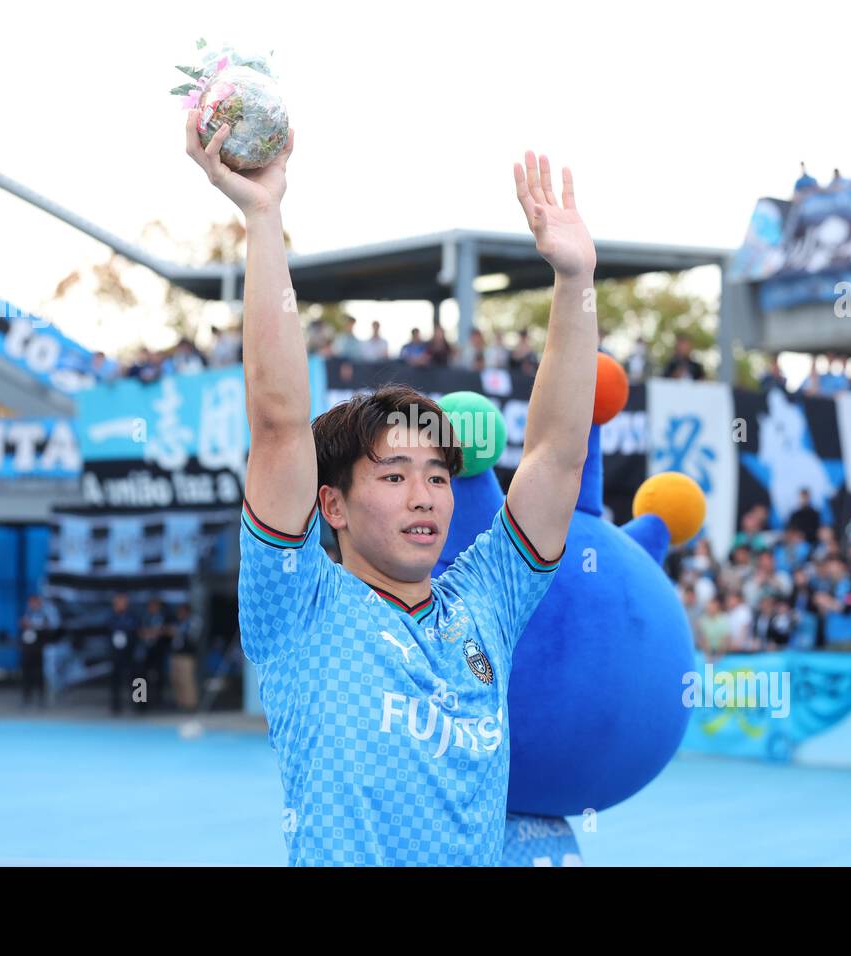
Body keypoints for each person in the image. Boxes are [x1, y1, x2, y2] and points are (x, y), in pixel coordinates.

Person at [186, 116, 594, 865]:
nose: (426, 496)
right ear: (331, 505)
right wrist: (265, 217)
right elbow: (280, 423)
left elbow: (557, 458)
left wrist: (574, 283)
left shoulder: (484, 604)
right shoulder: (299, 605)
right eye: (395, 475)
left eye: (438, 476)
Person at [107, 593, 141, 715]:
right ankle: (116, 706)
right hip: (116, 654)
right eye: (117, 603)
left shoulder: (133, 616)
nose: (119, 605)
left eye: (121, 602)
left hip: (131, 652)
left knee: (137, 679)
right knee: (116, 680)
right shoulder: (111, 616)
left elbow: (137, 630)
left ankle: (139, 705)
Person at [169, 603, 202, 711]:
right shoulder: (178, 622)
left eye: (182, 612)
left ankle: (191, 704)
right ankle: (180, 702)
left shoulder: (193, 622)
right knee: (176, 679)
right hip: (176, 654)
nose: (179, 614)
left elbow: (193, 637)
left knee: (187, 680)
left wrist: (180, 631)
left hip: (187, 655)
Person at [19, 595, 49, 707]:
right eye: (31, 603)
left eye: (35, 603)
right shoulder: (27, 615)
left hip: (38, 649)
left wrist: (32, 625)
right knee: (27, 674)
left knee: (38, 674)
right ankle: (27, 697)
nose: (32, 605)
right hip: (27, 650)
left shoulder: (42, 616)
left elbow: (46, 629)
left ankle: (41, 697)